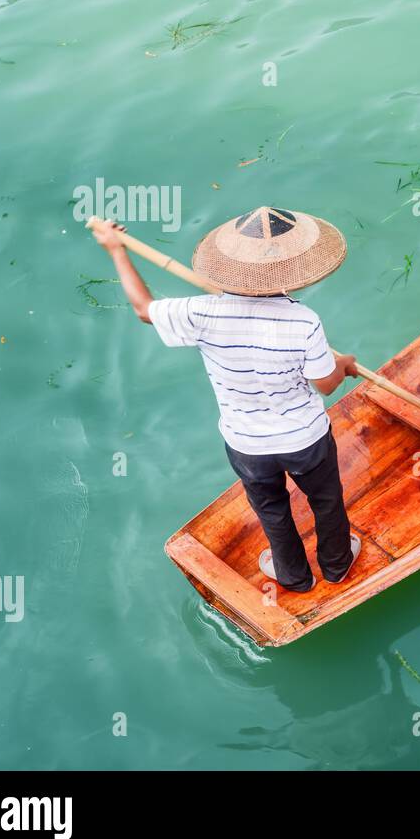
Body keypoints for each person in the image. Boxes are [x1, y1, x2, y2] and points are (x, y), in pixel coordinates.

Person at [90, 206, 361, 594]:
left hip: (246, 443)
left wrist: (116, 250)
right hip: (305, 439)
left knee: (271, 510)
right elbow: (326, 384)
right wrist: (345, 364)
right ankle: (336, 566)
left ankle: (293, 577)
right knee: (326, 499)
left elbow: (143, 309)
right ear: (291, 271)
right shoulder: (303, 321)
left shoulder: (202, 311)